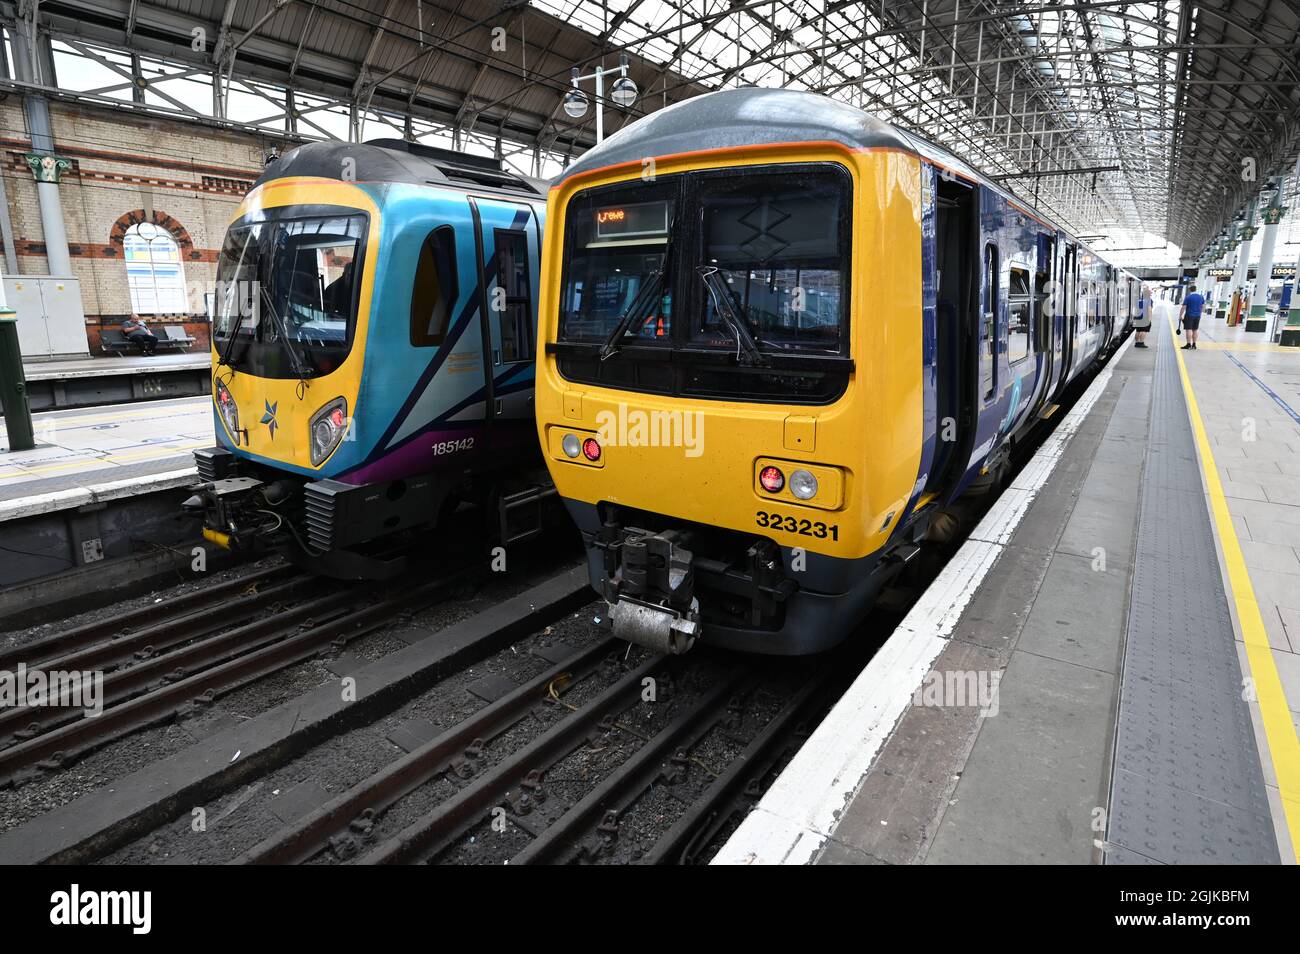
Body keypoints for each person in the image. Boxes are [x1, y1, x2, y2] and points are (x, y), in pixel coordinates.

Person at [1180, 284, 1205, 350]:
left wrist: (1180, 315)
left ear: (1190, 289)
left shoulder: (1188, 297)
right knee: (1195, 330)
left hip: (1189, 315)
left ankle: (1188, 344)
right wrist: (1200, 313)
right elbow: (1203, 306)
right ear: (1196, 289)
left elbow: (1184, 307)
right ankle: (1194, 345)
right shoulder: (1201, 297)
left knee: (1189, 329)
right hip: (1197, 316)